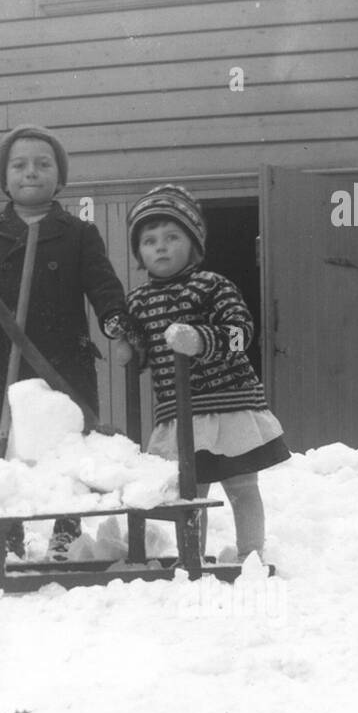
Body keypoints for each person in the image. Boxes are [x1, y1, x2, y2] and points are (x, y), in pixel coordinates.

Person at [0, 124, 132, 559]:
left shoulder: (78, 234)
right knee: (2, 449)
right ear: (4, 177)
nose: (31, 172)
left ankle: (66, 534)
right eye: (19, 165)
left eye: (43, 164)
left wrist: (117, 321)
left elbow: (103, 287)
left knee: (68, 450)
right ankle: (4, 535)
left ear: (60, 176)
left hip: (65, 363)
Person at [118, 184, 289, 563]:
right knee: (190, 491)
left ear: (193, 244)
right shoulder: (138, 301)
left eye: (171, 237)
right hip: (181, 414)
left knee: (242, 484)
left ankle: (251, 553)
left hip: (230, 405)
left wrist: (201, 340)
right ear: (139, 253)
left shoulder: (212, 286)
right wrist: (131, 347)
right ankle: (191, 554)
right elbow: (143, 348)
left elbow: (241, 334)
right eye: (149, 241)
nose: (160, 247)